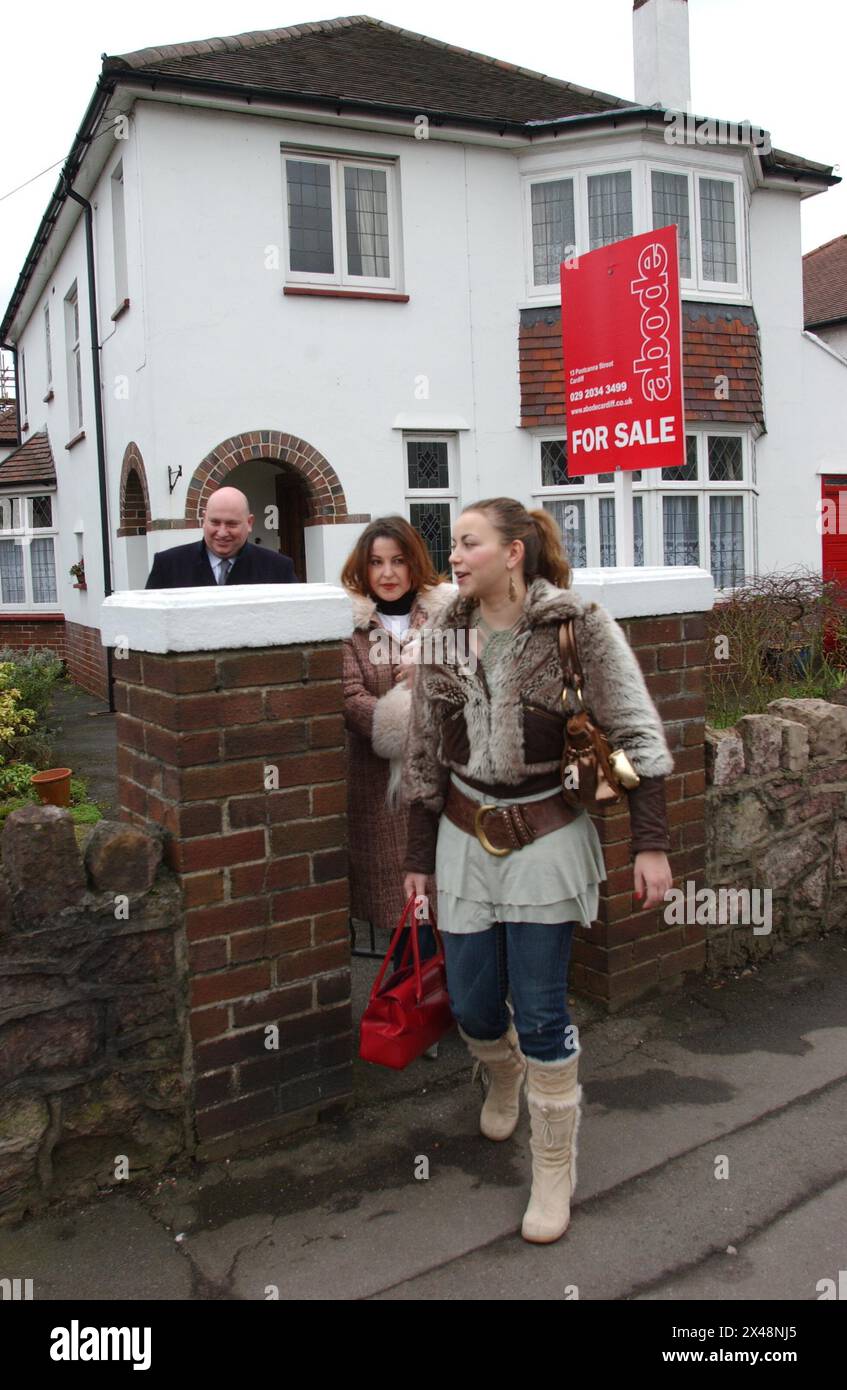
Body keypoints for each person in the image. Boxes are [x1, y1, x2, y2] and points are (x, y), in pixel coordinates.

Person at [401, 497, 674, 1242]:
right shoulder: (440, 636)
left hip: (547, 833)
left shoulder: (577, 627)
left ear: (513, 552)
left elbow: (636, 736)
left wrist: (648, 844)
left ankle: (552, 1167)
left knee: (543, 1007)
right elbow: (424, 755)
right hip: (460, 833)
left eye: (467, 543)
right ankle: (500, 1070)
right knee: (473, 1004)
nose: (452, 557)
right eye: (451, 543)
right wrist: (415, 859)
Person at [341, 517, 455, 986]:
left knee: (446, 902)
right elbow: (349, 698)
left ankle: (444, 1004)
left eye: (398, 561)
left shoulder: (447, 616)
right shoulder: (348, 627)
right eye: (376, 563)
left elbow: (466, 682)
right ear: (363, 570)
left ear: (414, 565)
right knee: (403, 909)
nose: (388, 573)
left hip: (443, 786)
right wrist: (412, 713)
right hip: (379, 792)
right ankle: (413, 1011)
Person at [145, 486, 298, 587]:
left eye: (231, 524)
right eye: (215, 522)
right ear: (204, 519)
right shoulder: (167, 566)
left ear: (249, 522)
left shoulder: (278, 569)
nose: (222, 532)